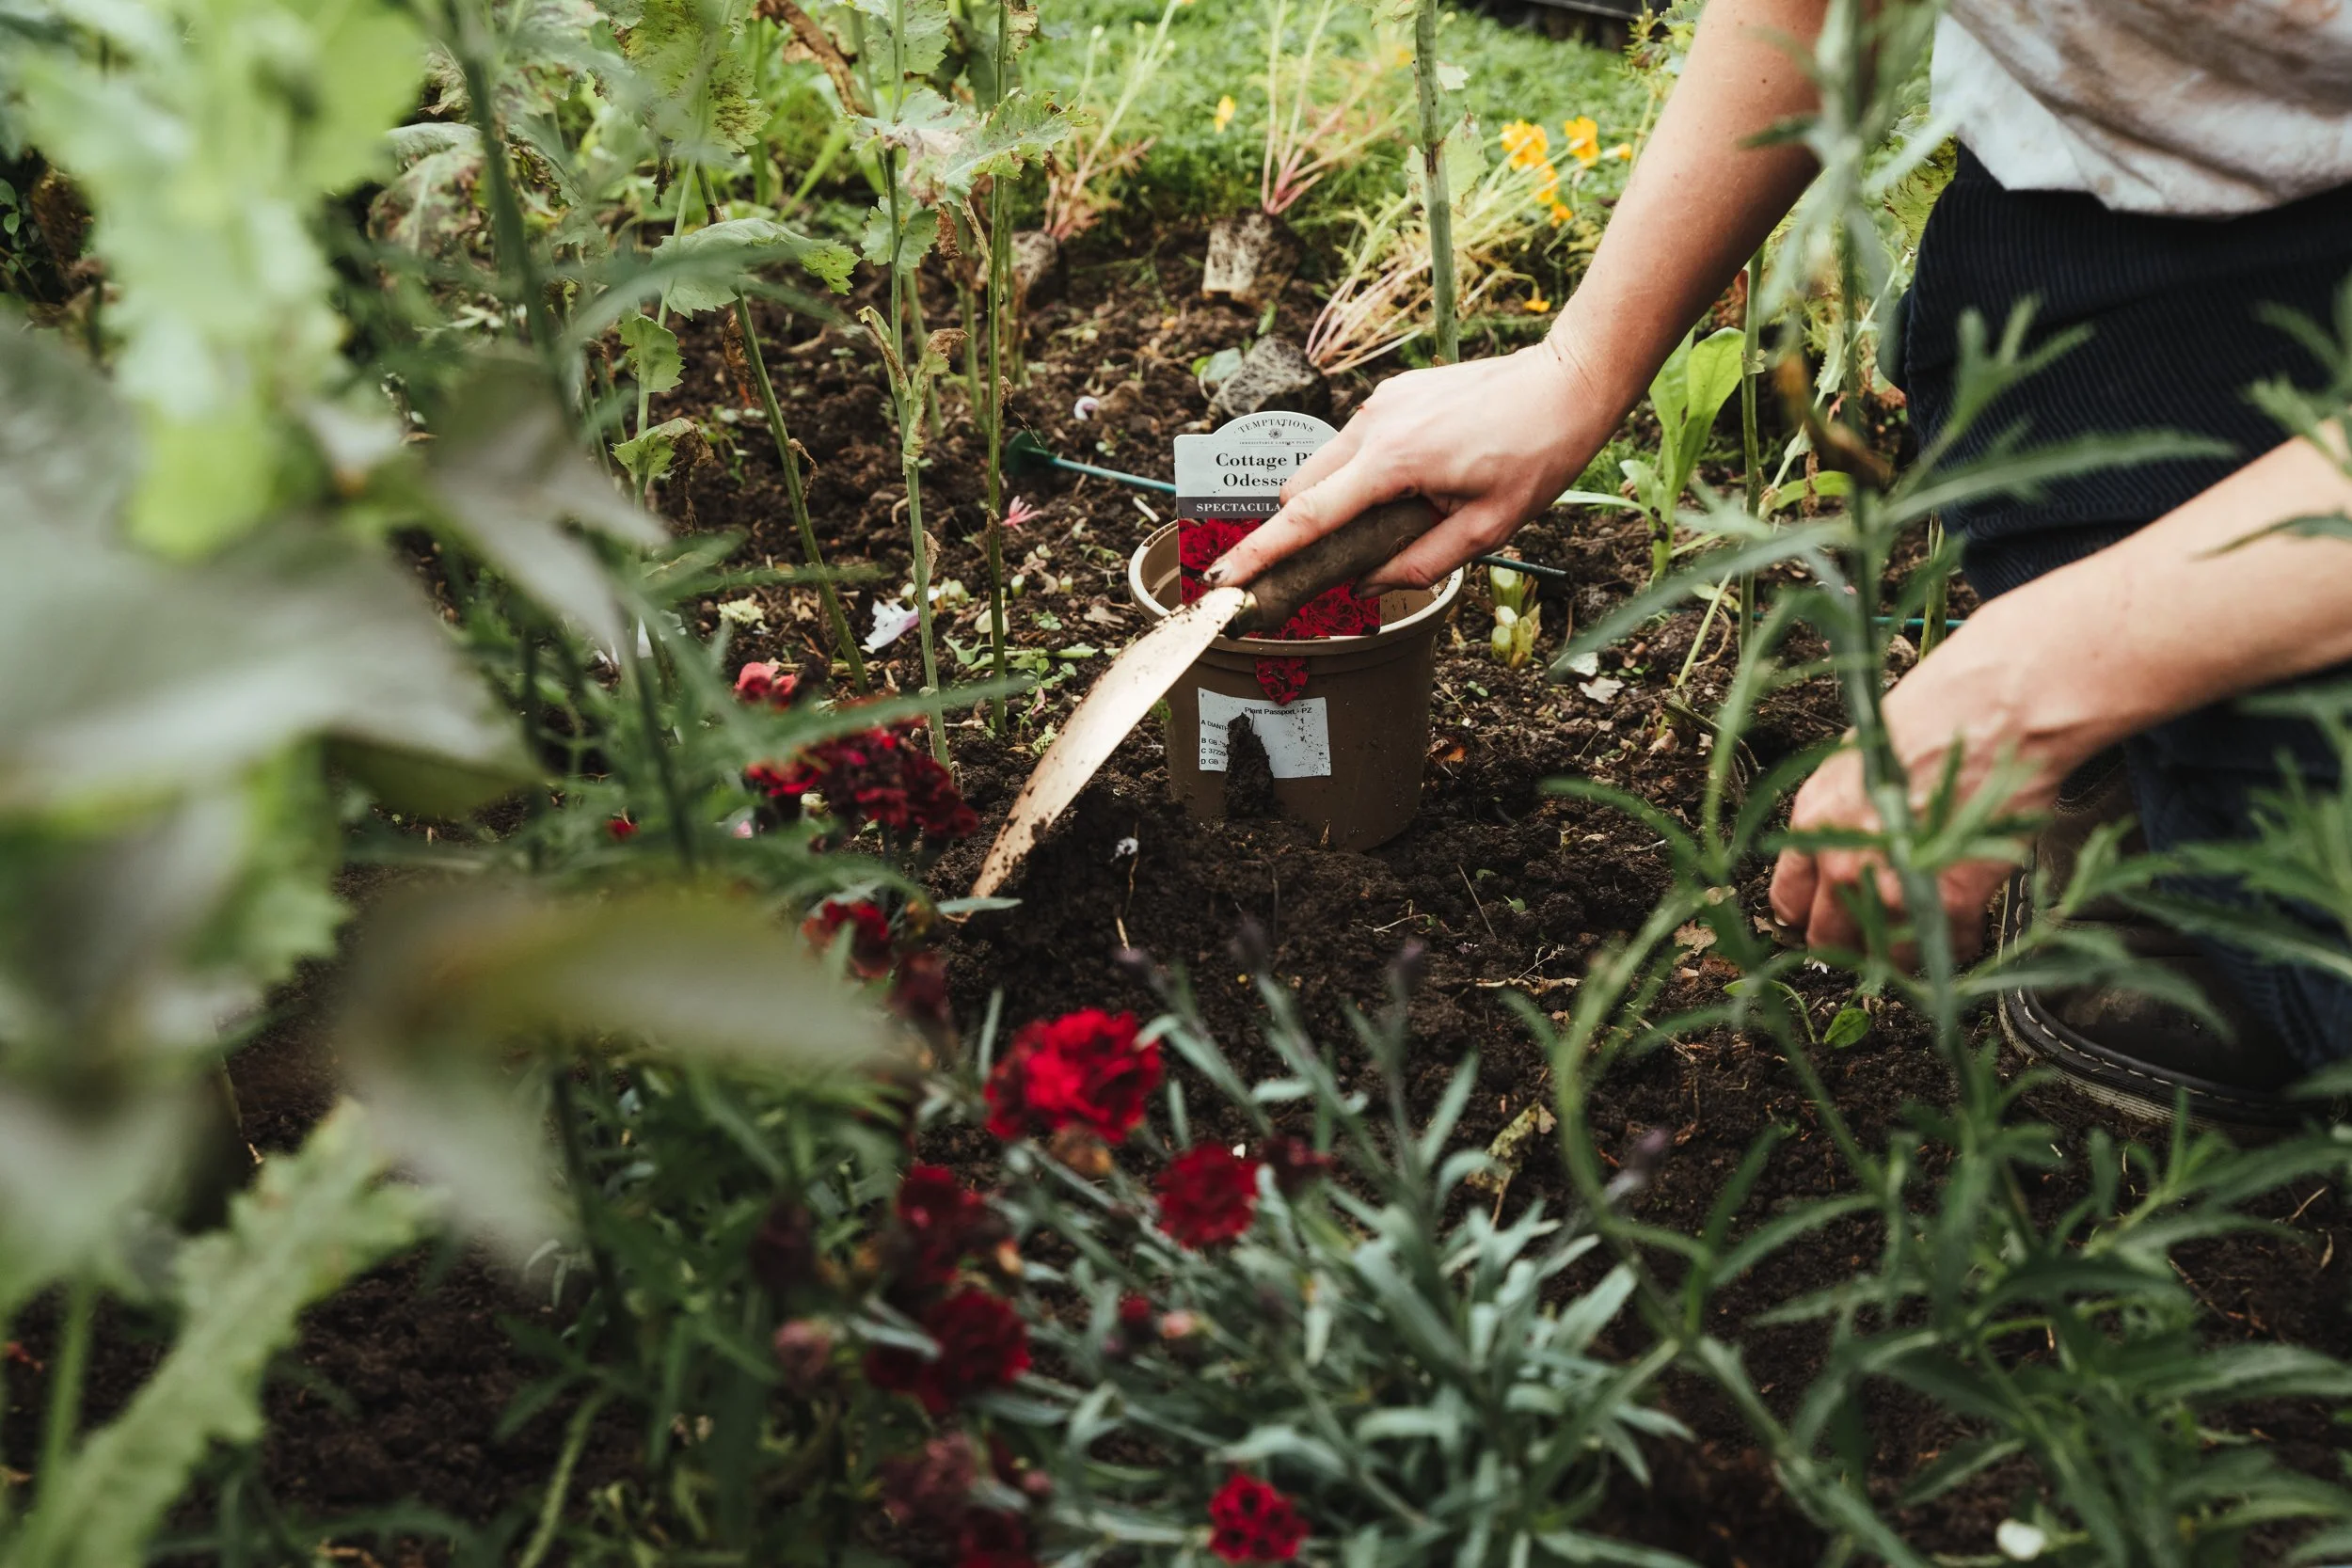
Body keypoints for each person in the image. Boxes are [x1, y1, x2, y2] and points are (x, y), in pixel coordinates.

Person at [1202, 0, 2352, 1125]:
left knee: (2316, 947)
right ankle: (2171, 765)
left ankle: (2188, 792)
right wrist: (1579, 360)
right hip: (2105, 223)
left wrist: (2033, 677)